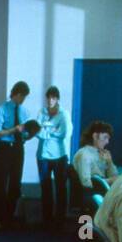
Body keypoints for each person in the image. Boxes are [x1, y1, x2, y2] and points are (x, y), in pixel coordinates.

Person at [0, 81, 31, 229]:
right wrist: (14, 130)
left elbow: (25, 133)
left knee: (16, 184)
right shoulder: (2, 109)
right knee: (1, 184)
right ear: (16, 94)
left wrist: (28, 134)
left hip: (19, 148)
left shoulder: (25, 111)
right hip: (5, 148)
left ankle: (9, 218)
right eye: (22, 96)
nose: (23, 100)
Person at [36, 86, 71, 227]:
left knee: (60, 188)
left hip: (59, 156)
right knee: (45, 188)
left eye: (53, 98)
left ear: (57, 99)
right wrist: (53, 131)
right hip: (43, 156)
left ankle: (60, 221)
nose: (50, 100)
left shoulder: (64, 114)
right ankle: (47, 220)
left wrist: (47, 131)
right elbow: (37, 132)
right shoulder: (42, 112)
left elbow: (65, 133)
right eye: (48, 97)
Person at [72, 120, 118, 190]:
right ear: (95, 136)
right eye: (105, 137)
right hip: (93, 195)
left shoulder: (101, 153)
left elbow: (114, 177)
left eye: (108, 138)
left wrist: (109, 162)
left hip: (104, 190)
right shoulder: (84, 155)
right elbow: (86, 183)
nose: (107, 142)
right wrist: (109, 181)